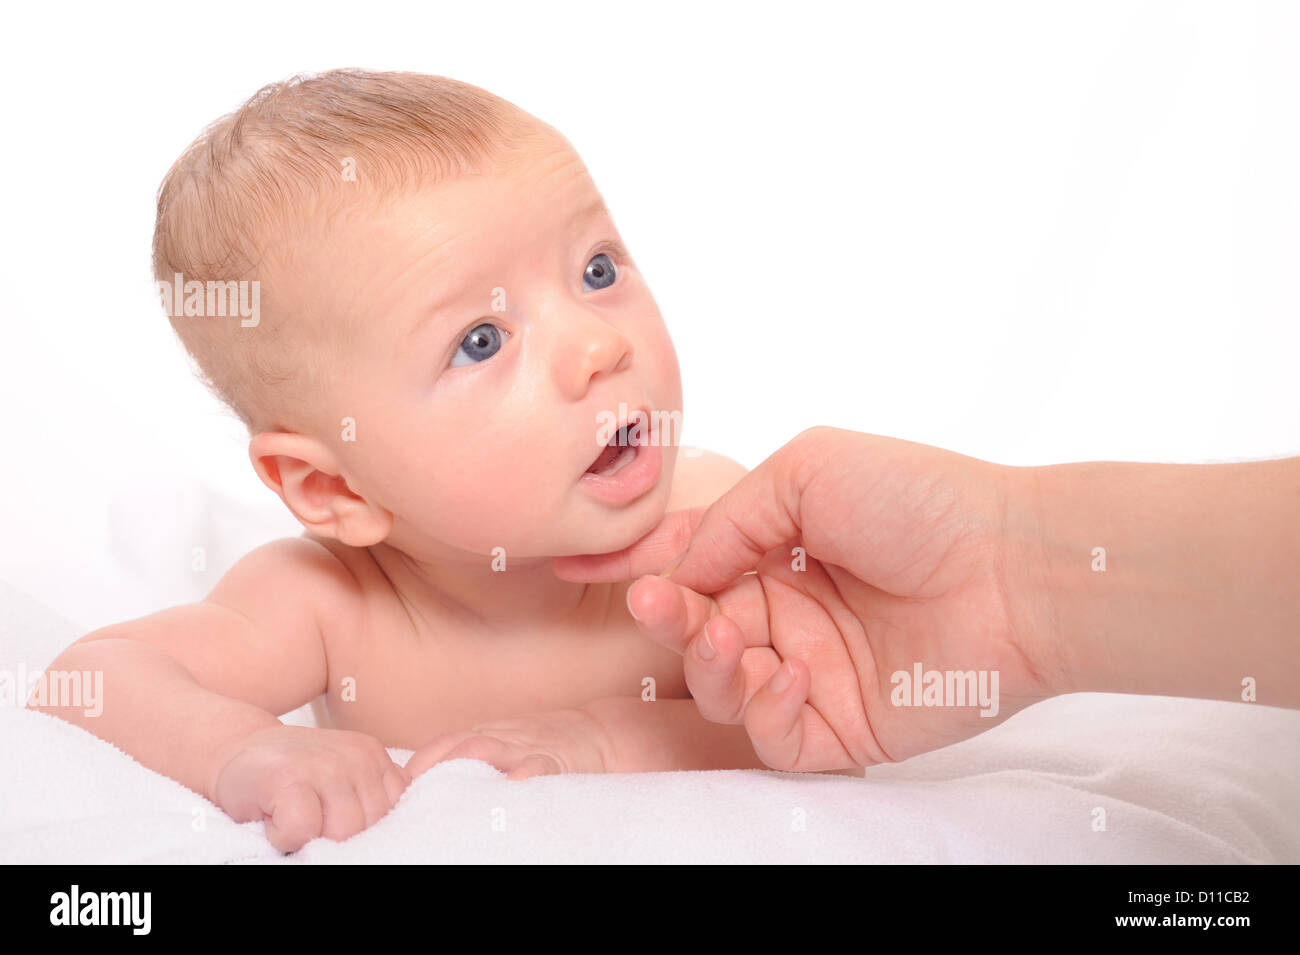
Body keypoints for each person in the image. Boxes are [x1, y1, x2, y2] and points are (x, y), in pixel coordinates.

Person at [553, 426, 1300, 772]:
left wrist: (615, 736)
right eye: (481, 341)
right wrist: (1010, 584)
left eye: (598, 267)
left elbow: (764, 724)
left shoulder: (714, 504)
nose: (598, 345)